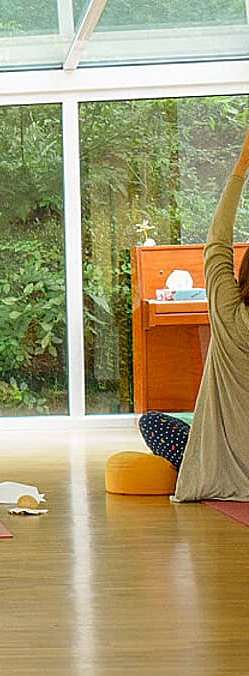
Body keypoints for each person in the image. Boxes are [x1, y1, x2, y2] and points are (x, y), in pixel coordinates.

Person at [140, 125, 249, 501]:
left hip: (216, 470)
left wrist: (242, 166)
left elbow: (217, 239)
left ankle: (200, 464)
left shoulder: (230, 313)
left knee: (152, 422)